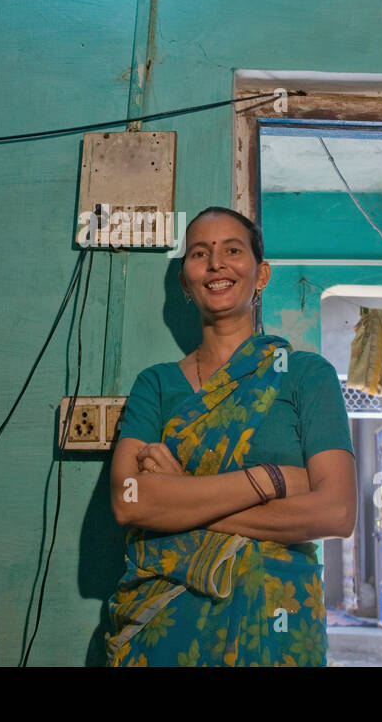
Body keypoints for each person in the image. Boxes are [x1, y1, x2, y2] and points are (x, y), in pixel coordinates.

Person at [105, 206, 357, 666]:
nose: (216, 264)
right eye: (200, 254)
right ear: (185, 281)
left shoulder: (305, 375)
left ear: (260, 274)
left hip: (274, 617)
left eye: (232, 251)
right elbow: (129, 500)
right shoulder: (156, 384)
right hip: (165, 621)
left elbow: (337, 511)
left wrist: (178, 497)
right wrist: (272, 479)